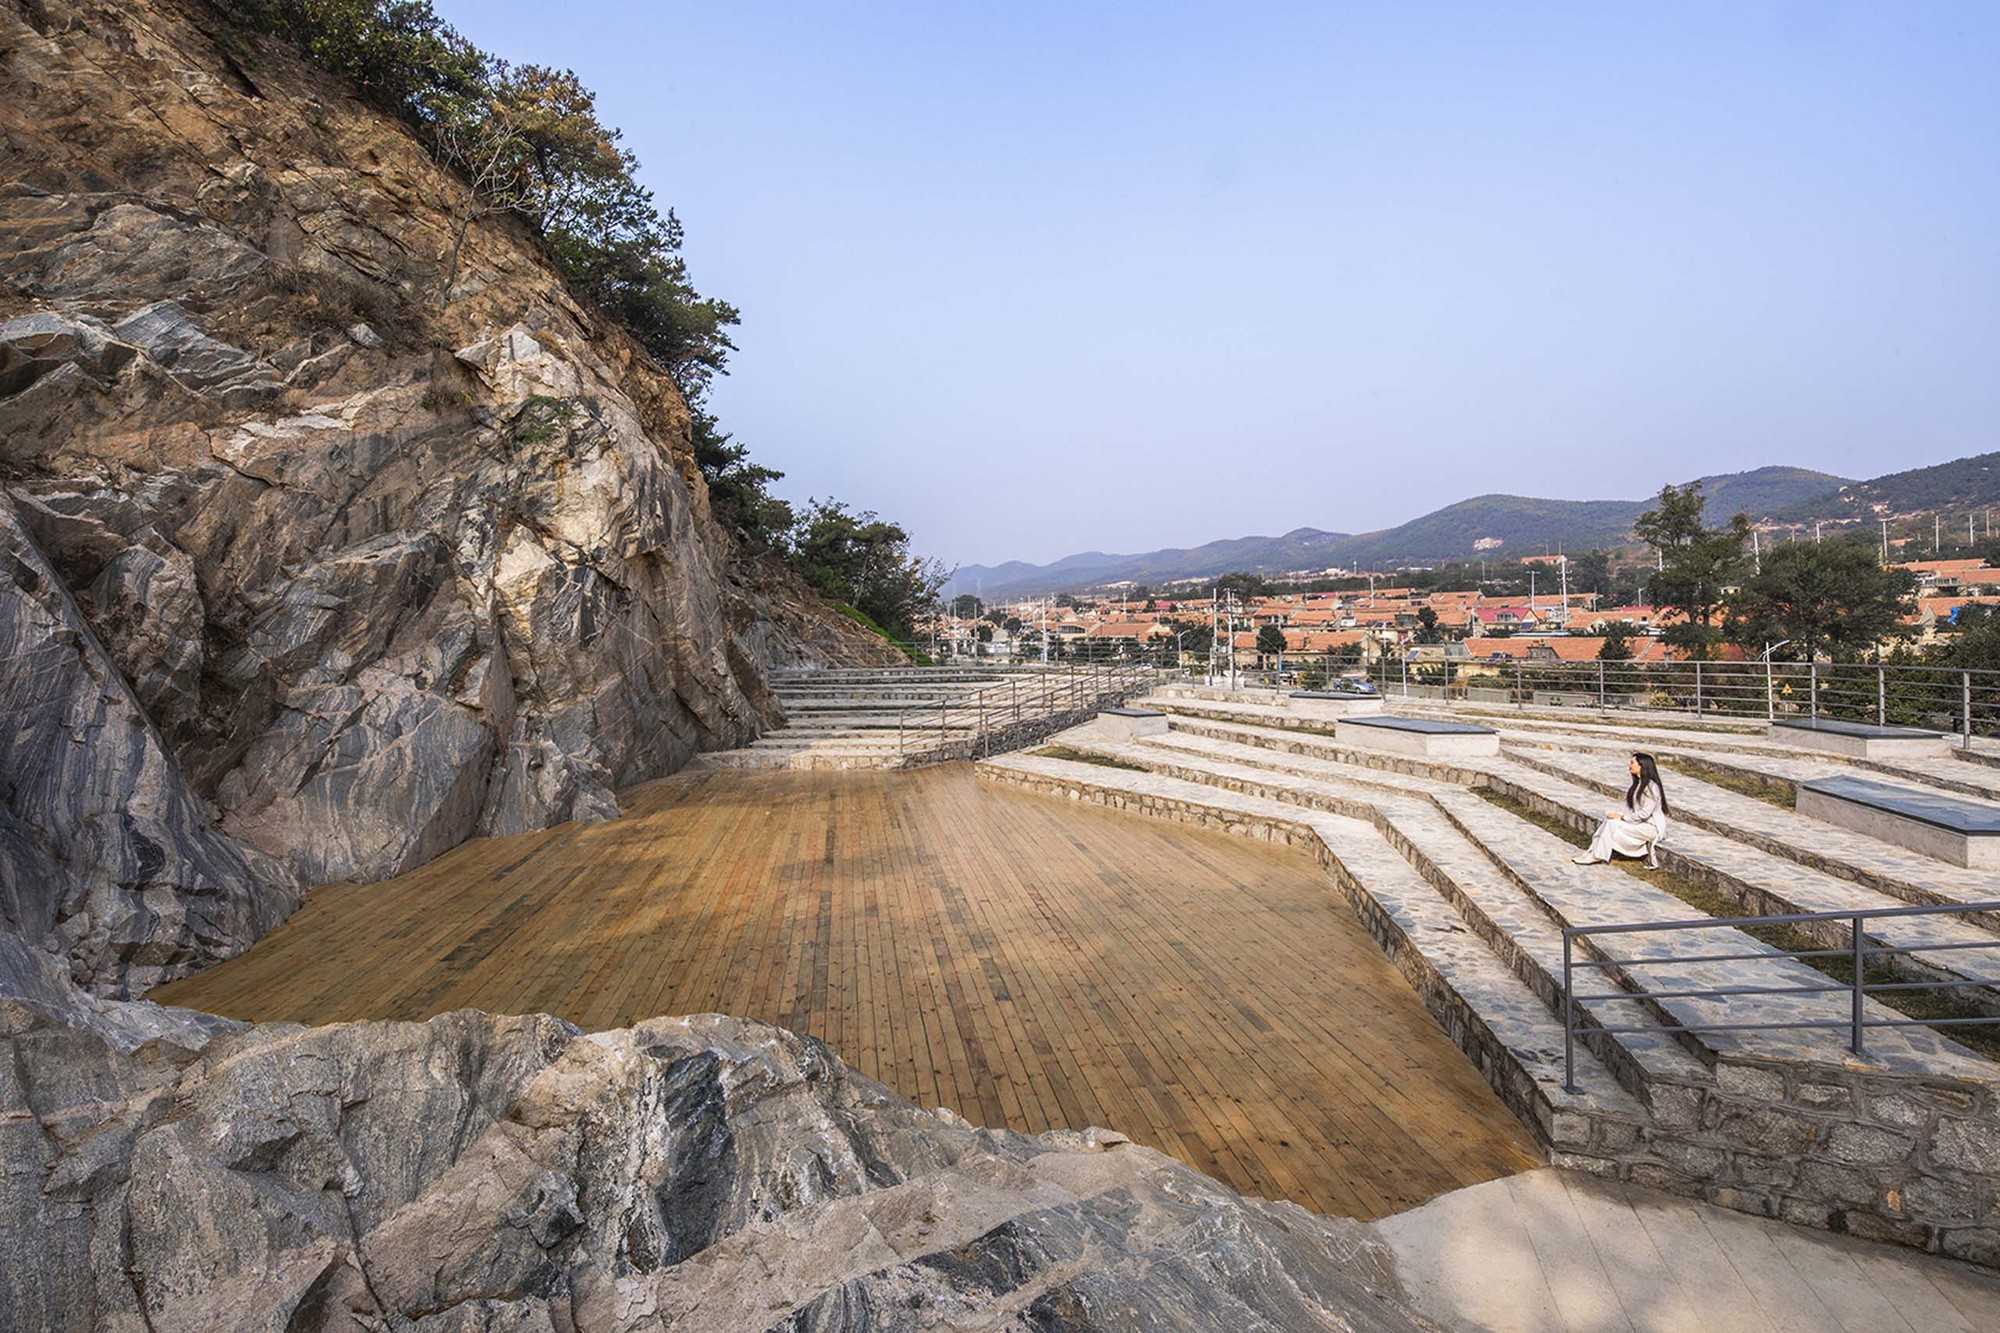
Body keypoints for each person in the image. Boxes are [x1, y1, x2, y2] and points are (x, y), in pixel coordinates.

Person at [1573, 752, 1669, 868]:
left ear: (1641, 766)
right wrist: (1617, 814)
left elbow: (1645, 813)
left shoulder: (1651, 787)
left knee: (1611, 825)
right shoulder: (1638, 785)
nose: (1630, 765)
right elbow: (1630, 808)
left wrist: (1623, 818)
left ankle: (1596, 856)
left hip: (1650, 827)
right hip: (1640, 824)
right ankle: (1591, 851)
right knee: (1608, 823)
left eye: (1632, 763)